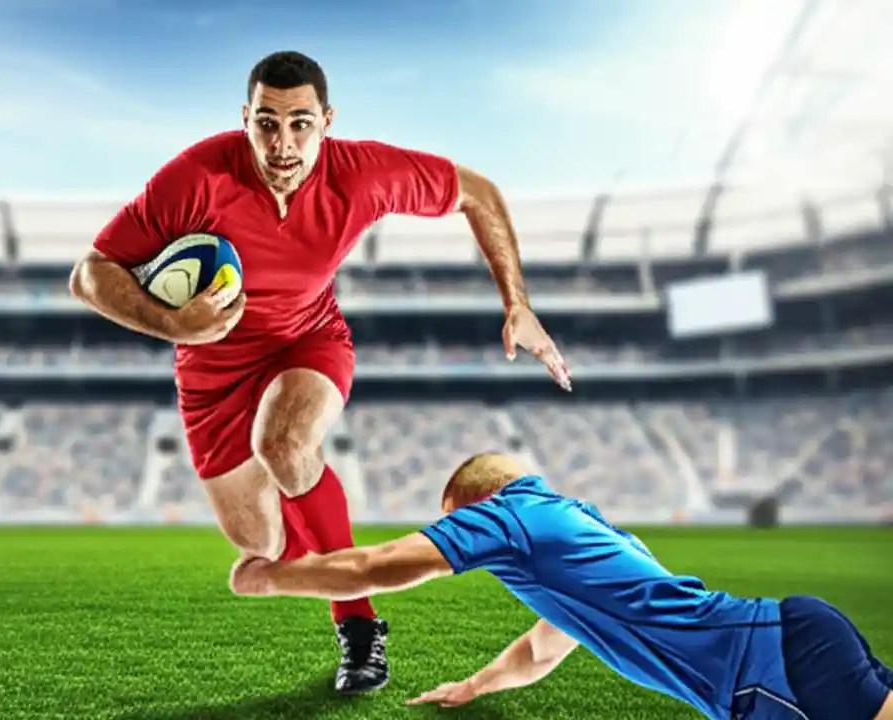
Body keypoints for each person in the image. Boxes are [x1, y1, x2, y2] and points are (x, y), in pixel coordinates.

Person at [68, 50, 571, 694]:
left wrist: (517, 303)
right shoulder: (197, 177)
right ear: (244, 119)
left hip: (308, 341)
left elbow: (478, 193)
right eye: (267, 124)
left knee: (284, 444)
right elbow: (91, 272)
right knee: (262, 544)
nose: (283, 144)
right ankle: (307, 529)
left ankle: (359, 628)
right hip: (209, 370)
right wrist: (173, 323)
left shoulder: (361, 175)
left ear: (327, 121)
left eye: (301, 123)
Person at [230, 453, 893, 719]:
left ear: (470, 503)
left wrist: (270, 578)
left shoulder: (509, 516)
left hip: (768, 668)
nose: (456, 532)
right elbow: (544, 648)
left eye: (452, 518)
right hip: (785, 644)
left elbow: (375, 566)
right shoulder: (577, 532)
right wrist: (475, 685)